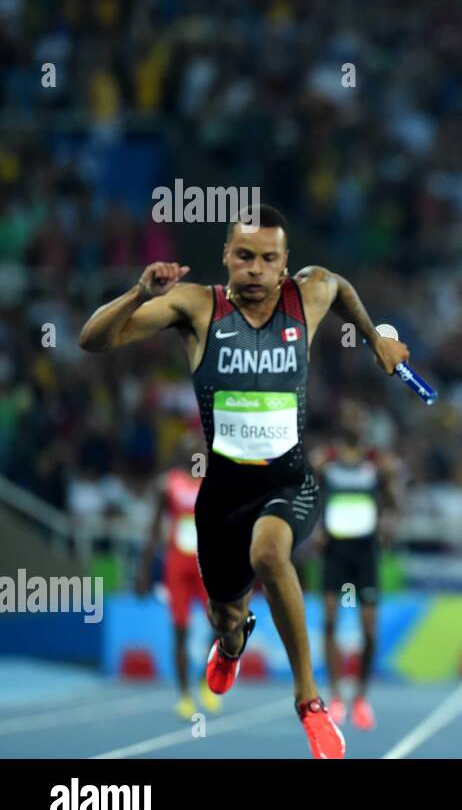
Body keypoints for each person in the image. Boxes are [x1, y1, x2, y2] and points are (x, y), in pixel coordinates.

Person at [80, 205, 409, 759]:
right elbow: (94, 340)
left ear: (285, 267)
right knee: (224, 616)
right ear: (226, 258)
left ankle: (309, 700)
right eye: (244, 256)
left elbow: (340, 284)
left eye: (269, 259)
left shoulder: (309, 297)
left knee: (271, 553)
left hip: (289, 483)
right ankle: (232, 642)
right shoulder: (196, 307)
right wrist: (140, 292)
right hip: (222, 499)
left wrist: (375, 337)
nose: (256, 269)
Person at [310, 399, 400, 731]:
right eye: (349, 416)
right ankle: (336, 695)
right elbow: (309, 498)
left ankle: (360, 697)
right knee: (331, 620)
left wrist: (389, 526)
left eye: (359, 417)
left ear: (365, 426)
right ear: (341, 424)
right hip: (334, 549)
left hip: (365, 551)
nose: (354, 422)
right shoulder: (324, 461)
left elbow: (392, 502)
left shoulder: (378, 463)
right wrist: (314, 528)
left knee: (369, 630)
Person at [135, 432, 221, 720]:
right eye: (188, 449)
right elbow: (154, 530)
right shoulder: (168, 485)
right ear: (180, 454)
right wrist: (144, 571)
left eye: (197, 449)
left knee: (219, 622)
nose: (193, 453)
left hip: (206, 565)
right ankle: (184, 695)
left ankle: (204, 682)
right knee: (180, 631)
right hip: (178, 567)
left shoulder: (214, 483)